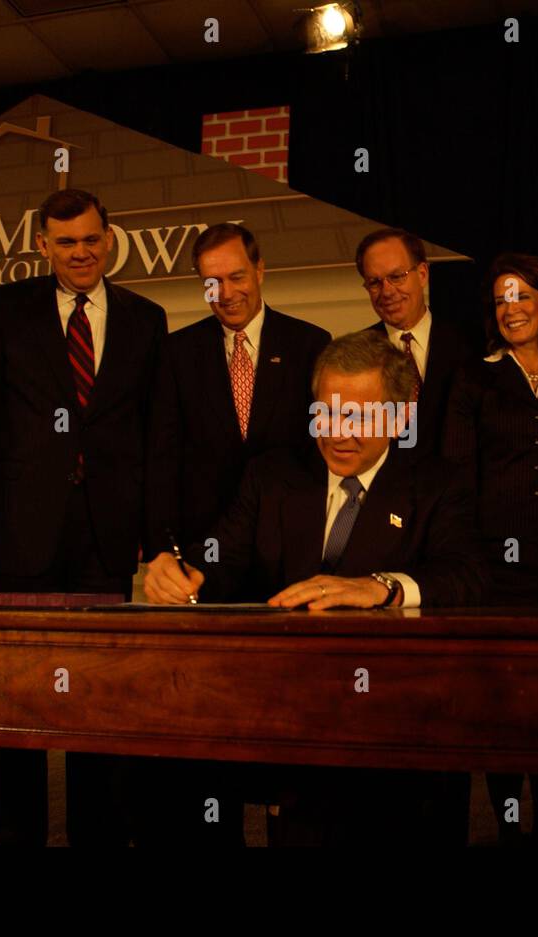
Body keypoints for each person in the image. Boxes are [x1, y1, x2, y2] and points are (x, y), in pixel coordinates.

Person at [143, 329, 482, 844]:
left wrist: (381, 587)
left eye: (361, 416)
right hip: (289, 724)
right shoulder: (272, 474)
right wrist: (185, 570)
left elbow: (469, 576)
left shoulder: (438, 483)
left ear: (401, 416)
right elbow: (223, 555)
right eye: (327, 413)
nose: (339, 433)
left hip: (393, 728)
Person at [0, 188, 167, 846]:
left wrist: (152, 533)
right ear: (43, 246)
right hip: (23, 531)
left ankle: (97, 836)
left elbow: (152, 432)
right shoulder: (4, 308)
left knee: (95, 700)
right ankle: (18, 837)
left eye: (91, 238)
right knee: (20, 697)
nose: (80, 251)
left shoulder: (147, 317)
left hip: (106, 539)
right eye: (65, 241)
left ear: (109, 238)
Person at [144, 222, 330, 844]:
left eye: (235, 276)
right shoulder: (178, 352)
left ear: (260, 270)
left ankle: (288, 824)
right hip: (202, 566)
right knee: (210, 722)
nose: (224, 292)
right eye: (210, 282)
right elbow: (161, 460)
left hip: (285, 566)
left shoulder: (310, 344)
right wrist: (161, 553)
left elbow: (317, 461)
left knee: (284, 724)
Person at [443, 252, 538, 845]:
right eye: (502, 300)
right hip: (495, 576)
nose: (512, 309)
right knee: (502, 705)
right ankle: (507, 829)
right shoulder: (475, 376)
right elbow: (456, 478)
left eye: (522, 296)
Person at [357, 228, 476, 457]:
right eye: (374, 282)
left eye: (396, 276)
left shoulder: (470, 344)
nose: (387, 291)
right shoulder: (358, 354)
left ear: (422, 274)